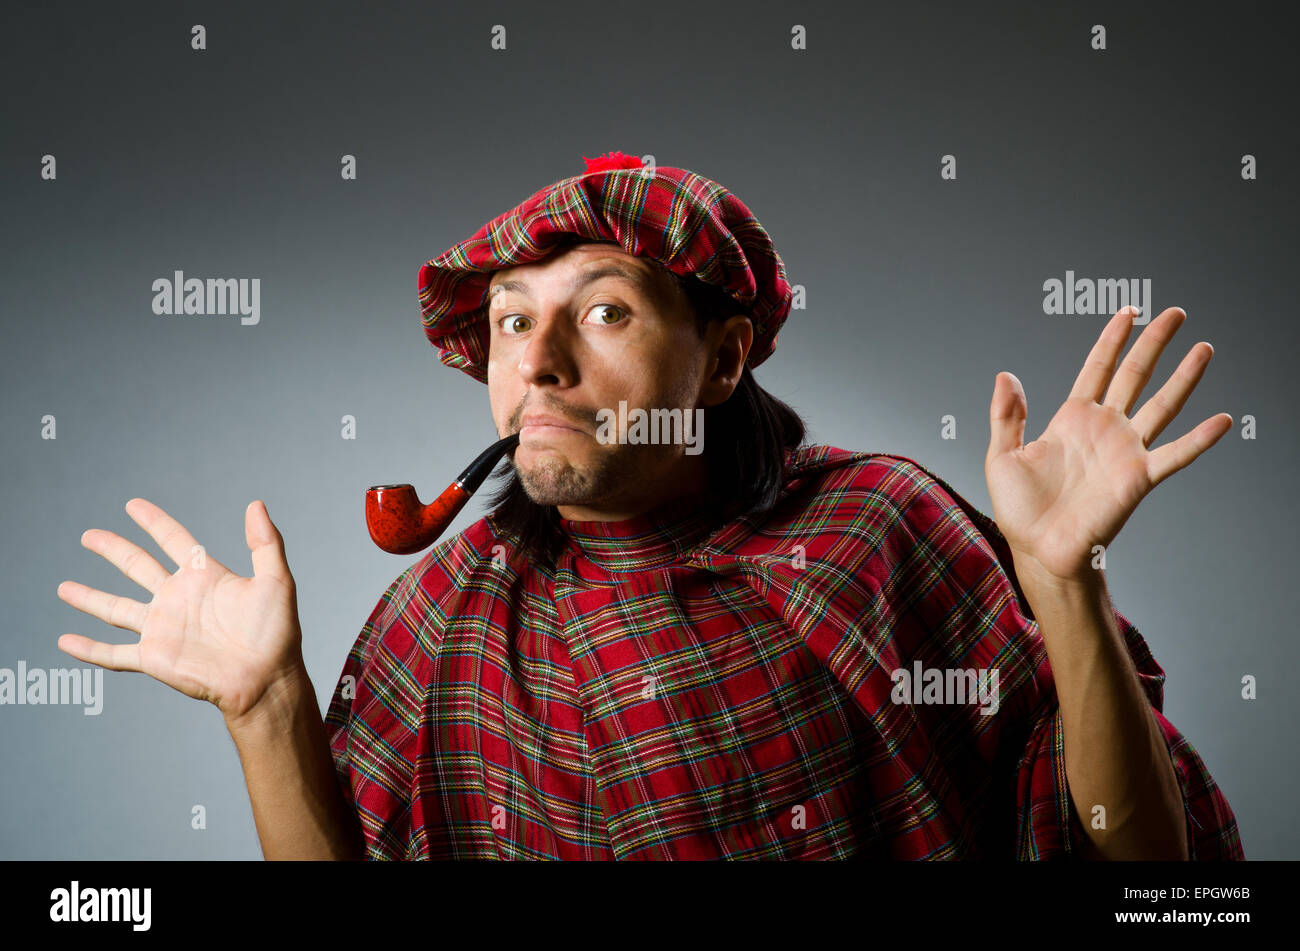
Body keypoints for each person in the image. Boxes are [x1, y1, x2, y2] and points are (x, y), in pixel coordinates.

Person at [56, 152, 1244, 860]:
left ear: (723, 362)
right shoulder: (448, 618)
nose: (539, 361)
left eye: (605, 312)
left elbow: (1140, 867)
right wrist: (266, 707)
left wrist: (1063, 586)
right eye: (514, 320)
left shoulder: (878, 528)